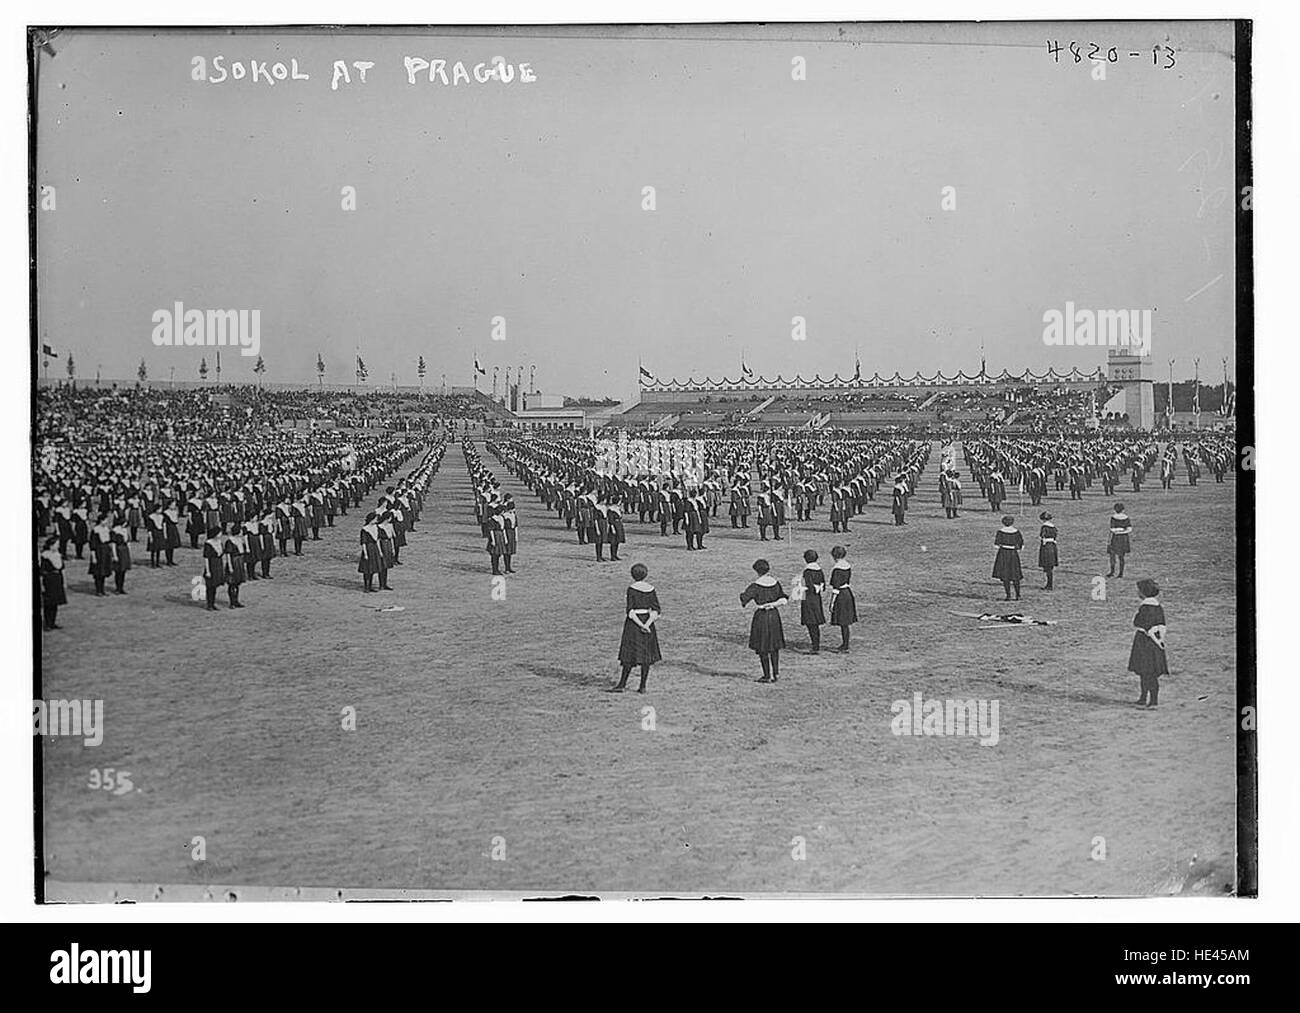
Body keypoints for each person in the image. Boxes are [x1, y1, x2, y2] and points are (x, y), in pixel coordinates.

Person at [615, 563, 662, 693]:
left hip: (633, 625)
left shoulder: (631, 589)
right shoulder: (651, 589)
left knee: (629, 655)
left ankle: (622, 684)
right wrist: (647, 625)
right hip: (648, 622)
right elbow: (656, 610)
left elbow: (630, 611)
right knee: (646, 656)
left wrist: (640, 625)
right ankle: (642, 686)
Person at [740, 558, 787, 683]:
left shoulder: (756, 585)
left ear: (757, 571)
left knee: (763, 647)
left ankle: (767, 675)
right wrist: (774, 603)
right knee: (774, 646)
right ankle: (776, 673)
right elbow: (783, 597)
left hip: (761, 617)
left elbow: (744, 598)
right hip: (774, 615)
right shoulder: (775, 583)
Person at [1128, 578, 1169, 708]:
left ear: (1143, 593)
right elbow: (1162, 624)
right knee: (1150, 673)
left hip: (1144, 642)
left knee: (1145, 672)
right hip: (1155, 641)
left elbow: (1137, 622)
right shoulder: (1158, 606)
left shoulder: (1145, 607)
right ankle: (1150, 699)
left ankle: (1147, 699)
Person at [828, 544, 857, 651]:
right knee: (845, 622)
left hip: (841, 595)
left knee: (843, 622)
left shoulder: (836, 569)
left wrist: (832, 602)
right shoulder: (847, 566)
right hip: (848, 593)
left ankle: (845, 645)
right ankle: (845, 643)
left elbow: (836, 587)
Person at [799, 549, 827, 653]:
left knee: (811, 622)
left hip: (809, 598)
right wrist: (818, 588)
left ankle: (815, 646)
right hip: (817, 598)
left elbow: (809, 585)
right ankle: (816, 644)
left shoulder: (807, 571)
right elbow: (823, 584)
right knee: (814, 622)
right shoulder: (819, 569)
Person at [993, 515, 1024, 601]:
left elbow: (996, 545)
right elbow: (1021, 545)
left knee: (1005, 575)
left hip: (1003, 554)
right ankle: (1018, 595)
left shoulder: (1000, 532)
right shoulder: (1016, 532)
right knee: (1015, 574)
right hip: (1013, 554)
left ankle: (1008, 595)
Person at [39, 536, 67, 631]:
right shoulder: (45, 556)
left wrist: (64, 582)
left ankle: (52, 622)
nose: (58, 546)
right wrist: (42, 584)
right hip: (49, 580)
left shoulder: (58, 555)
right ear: (51, 546)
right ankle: (47, 623)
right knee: (49, 603)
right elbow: (42, 571)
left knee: (55, 602)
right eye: (56, 544)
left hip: (57, 579)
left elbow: (62, 569)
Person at [358, 512, 384, 592]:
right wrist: (365, 553)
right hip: (368, 549)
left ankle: (370, 586)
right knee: (367, 569)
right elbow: (363, 543)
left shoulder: (376, 528)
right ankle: (366, 587)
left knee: (373, 568)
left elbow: (378, 541)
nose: (376, 520)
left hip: (375, 549)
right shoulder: (365, 529)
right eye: (375, 519)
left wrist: (380, 551)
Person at [202, 527, 225, 611]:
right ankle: (209, 604)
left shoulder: (219, 542)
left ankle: (213, 603)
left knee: (215, 585)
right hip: (211, 565)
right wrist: (207, 571)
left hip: (218, 565)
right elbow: (206, 558)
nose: (221, 534)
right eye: (219, 533)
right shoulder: (208, 544)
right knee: (210, 586)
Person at [1107, 502, 1132, 578]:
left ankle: (1113, 571)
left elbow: (1113, 529)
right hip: (1124, 538)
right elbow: (1129, 529)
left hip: (1116, 538)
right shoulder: (1126, 518)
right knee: (1120, 556)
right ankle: (1120, 572)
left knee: (1113, 555)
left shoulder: (1114, 518)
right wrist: (1123, 530)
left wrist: (1118, 530)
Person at [1037, 510, 1059, 590]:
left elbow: (1041, 536)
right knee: (1050, 566)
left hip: (1046, 546)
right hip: (1053, 546)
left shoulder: (1044, 527)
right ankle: (1049, 583)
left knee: (1047, 566)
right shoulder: (1053, 527)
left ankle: (1049, 584)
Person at [110, 523, 132, 595]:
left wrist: (129, 552)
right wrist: (115, 555)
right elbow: (113, 544)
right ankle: (117, 588)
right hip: (118, 550)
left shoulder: (125, 530)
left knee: (123, 571)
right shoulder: (115, 531)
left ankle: (121, 588)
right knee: (118, 571)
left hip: (125, 551)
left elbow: (128, 542)